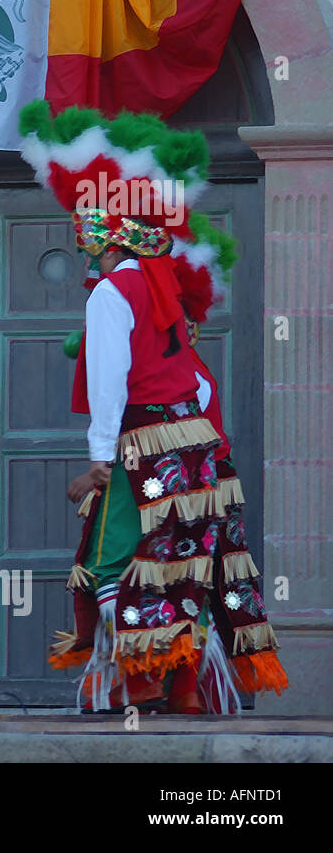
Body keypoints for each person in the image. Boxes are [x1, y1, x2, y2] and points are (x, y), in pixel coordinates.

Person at [20, 101, 257, 712]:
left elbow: (110, 381)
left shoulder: (111, 293)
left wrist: (99, 458)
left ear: (104, 242)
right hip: (196, 450)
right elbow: (195, 385)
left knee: (109, 559)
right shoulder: (163, 288)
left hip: (144, 444)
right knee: (186, 566)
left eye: (88, 250)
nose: (85, 265)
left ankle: (140, 676)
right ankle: (184, 692)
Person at [169, 216, 287, 703]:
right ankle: (176, 687)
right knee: (177, 581)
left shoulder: (187, 375)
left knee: (198, 581)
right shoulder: (169, 372)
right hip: (171, 487)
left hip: (197, 487)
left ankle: (197, 690)